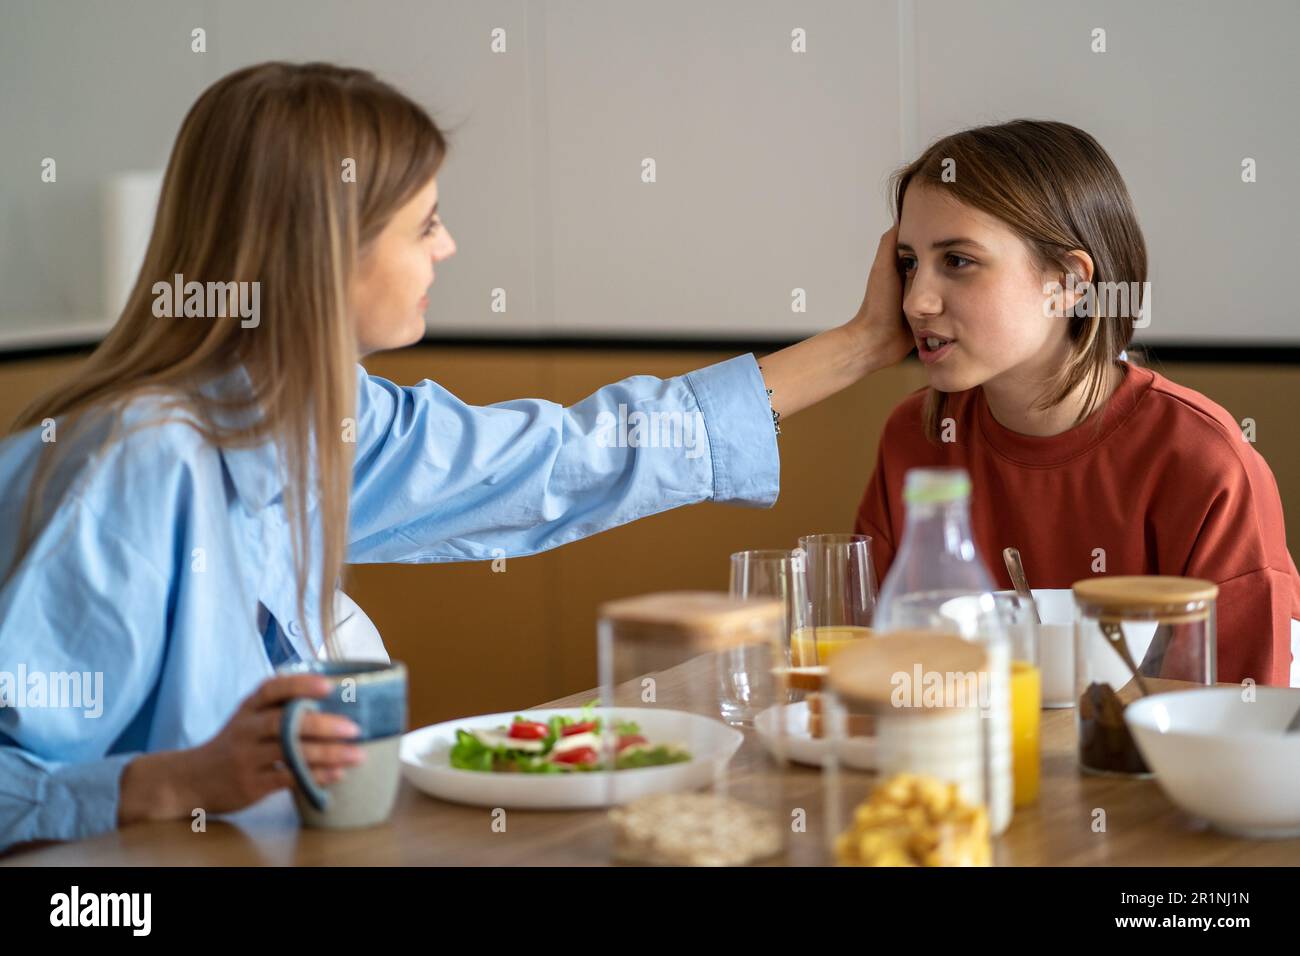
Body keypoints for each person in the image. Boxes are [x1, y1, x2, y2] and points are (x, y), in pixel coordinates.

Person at [0, 62, 911, 852]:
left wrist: (864, 345)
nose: (449, 246)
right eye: (425, 223)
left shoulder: (327, 421)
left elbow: (568, 457)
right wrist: (175, 785)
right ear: (328, 252)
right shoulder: (133, 467)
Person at [854, 119, 1300, 687]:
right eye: (909, 262)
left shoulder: (1201, 459)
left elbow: (1247, 714)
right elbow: (878, 671)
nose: (916, 301)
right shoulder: (914, 437)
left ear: (1067, 282)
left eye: (958, 260)